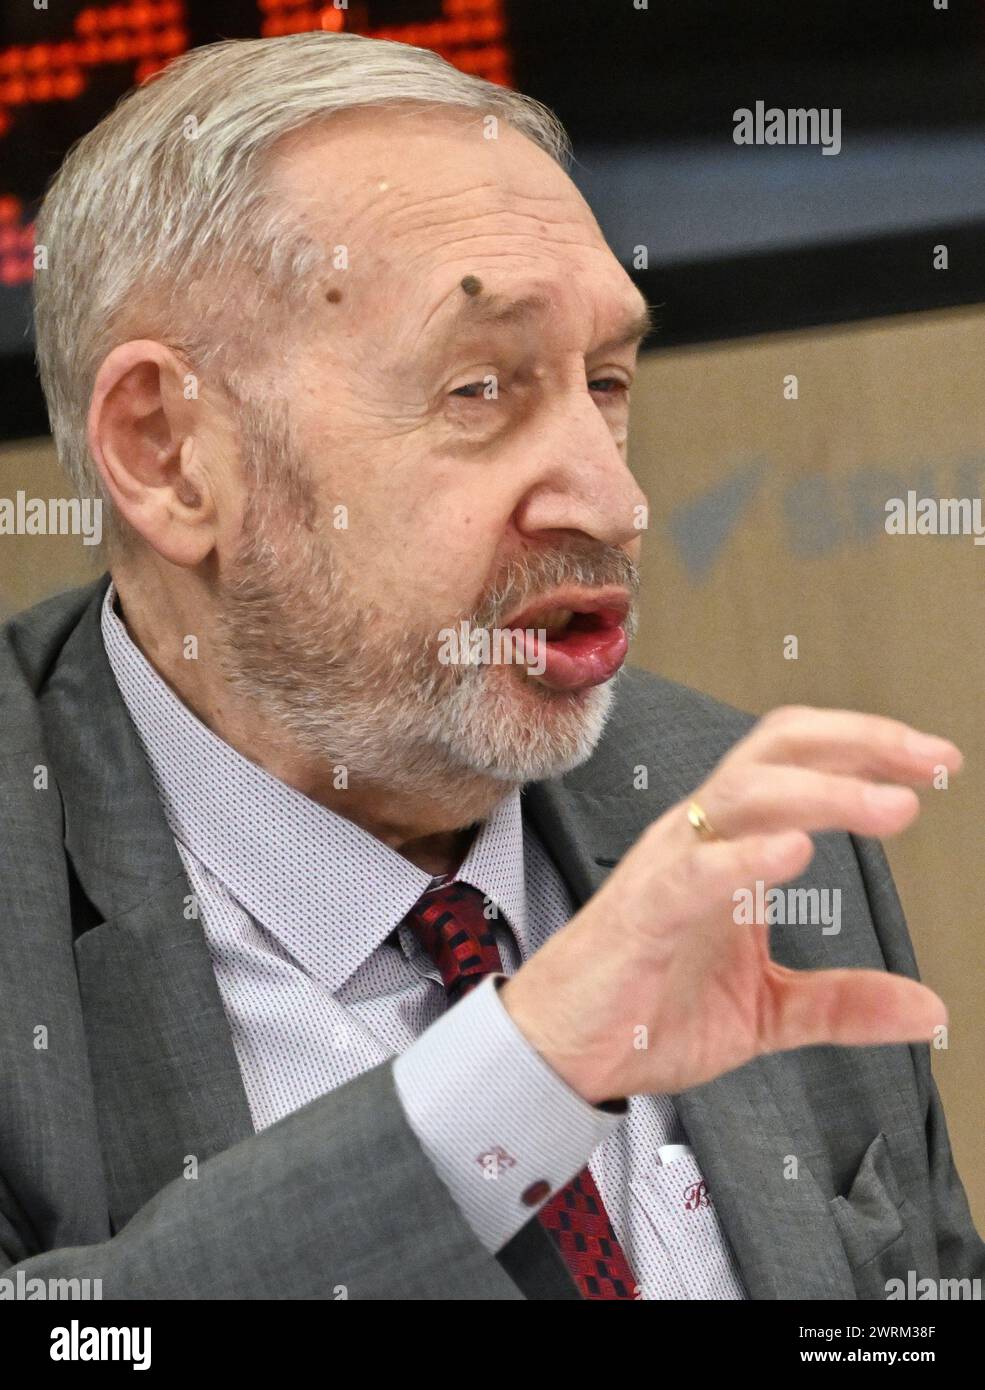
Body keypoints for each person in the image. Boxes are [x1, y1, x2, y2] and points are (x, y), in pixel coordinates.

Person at [3, 30, 980, 1300]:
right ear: (170, 451)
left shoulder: (750, 829)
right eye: (479, 389)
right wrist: (515, 1080)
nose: (615, 499)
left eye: (608, 380)